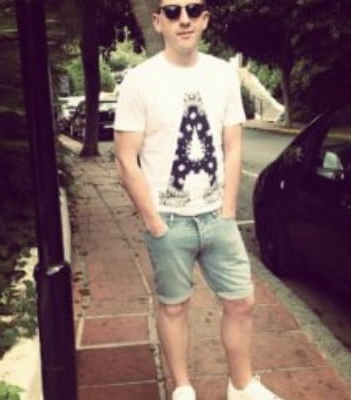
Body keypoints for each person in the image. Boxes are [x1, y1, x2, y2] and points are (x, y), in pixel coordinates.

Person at [114, 1, 285, 399]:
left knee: (241, 302)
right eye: (173, 11)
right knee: (174, 307)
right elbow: (125, 160)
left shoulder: (222, 74)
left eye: (193, 9)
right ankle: (183, 388)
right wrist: (154, 222)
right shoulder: (140, 80)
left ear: (205, 19)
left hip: (216, 217)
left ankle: (241, 386)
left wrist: (228, 211)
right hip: (169, 219)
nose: (184, 19)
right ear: (158, 21)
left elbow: (233, 146)